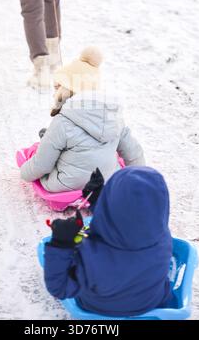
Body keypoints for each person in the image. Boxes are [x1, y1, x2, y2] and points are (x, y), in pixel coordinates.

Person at [44, 166, 173, 317]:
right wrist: (97, 199)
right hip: (151, 303)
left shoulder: (90, 255)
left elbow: (59, 288)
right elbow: (134, 217)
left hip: (98, 307)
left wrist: (61, 244)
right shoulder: (163, 239)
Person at [19, 46, 145, 192]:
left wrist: (24, 172)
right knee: (115, 157)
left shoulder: (62, 121)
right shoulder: (113, 114)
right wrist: (140, 179)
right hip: (107, 181)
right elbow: (133, 152)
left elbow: (42, 164)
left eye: (58, 87)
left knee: (44, 153)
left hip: (67, 184)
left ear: (66, 90)